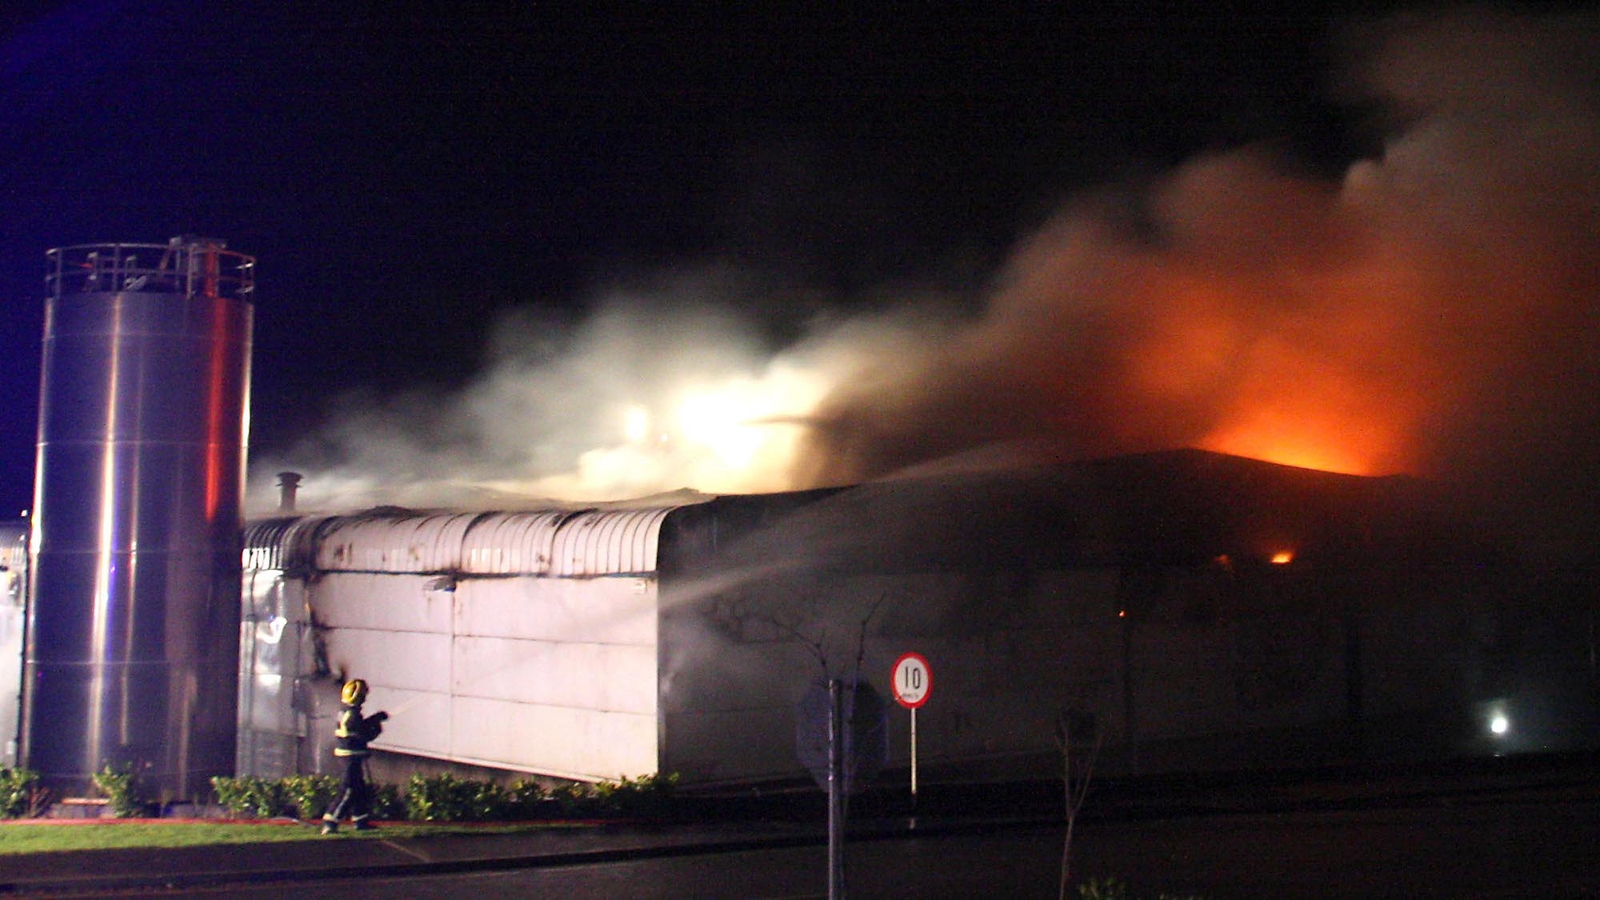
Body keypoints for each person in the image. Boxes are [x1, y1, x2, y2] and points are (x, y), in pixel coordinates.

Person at [321, 678, 388, 834]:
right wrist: (377, 727)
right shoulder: (352, 716)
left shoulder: (346, 711)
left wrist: (375, 718)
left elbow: (360, 726)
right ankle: (331, 821)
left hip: (349, 756)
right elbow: (364, 735)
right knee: (349, 790)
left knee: (359, 788)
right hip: (351, 757)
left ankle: (360, 820)